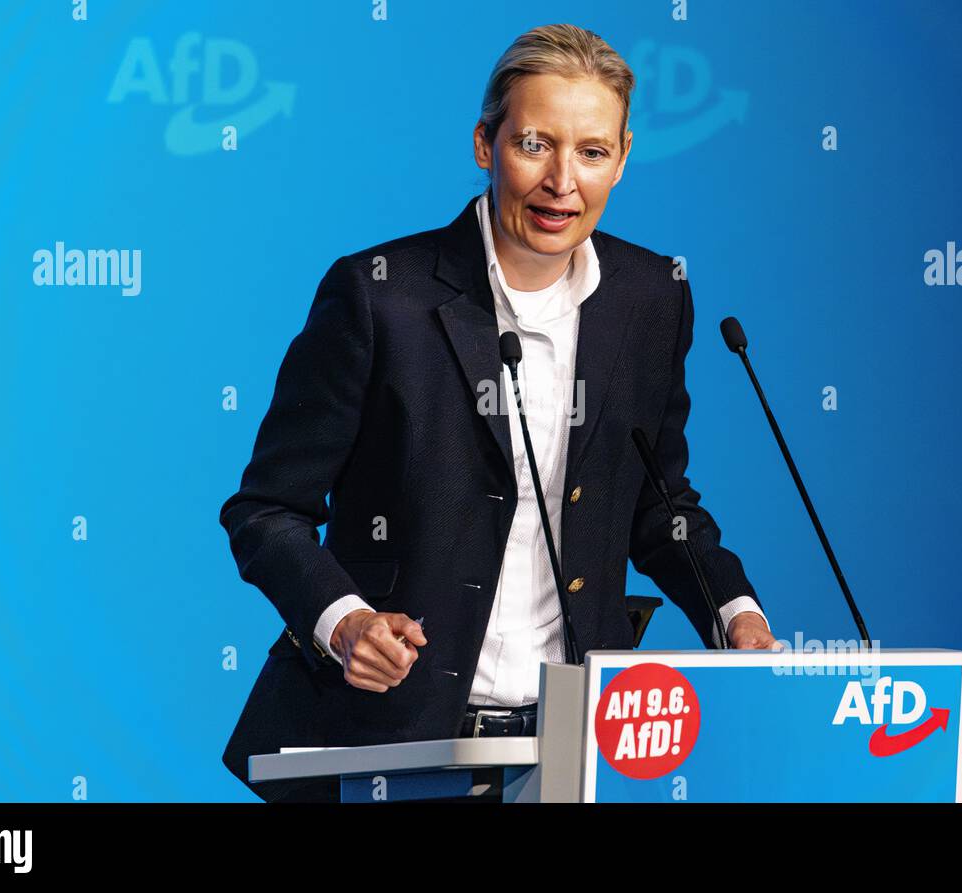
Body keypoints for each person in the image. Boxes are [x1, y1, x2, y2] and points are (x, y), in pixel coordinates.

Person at [219, 23, 776, 802]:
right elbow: (266, 510)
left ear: (621, 157)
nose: (563, 182)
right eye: (535, 145)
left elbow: (659, 501)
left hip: (584, 743)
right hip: (396, 741)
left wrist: (733, 612)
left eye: (592, 151)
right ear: (486, 144)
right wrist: (345, 621)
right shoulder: (380, 295)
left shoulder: (653, 298)